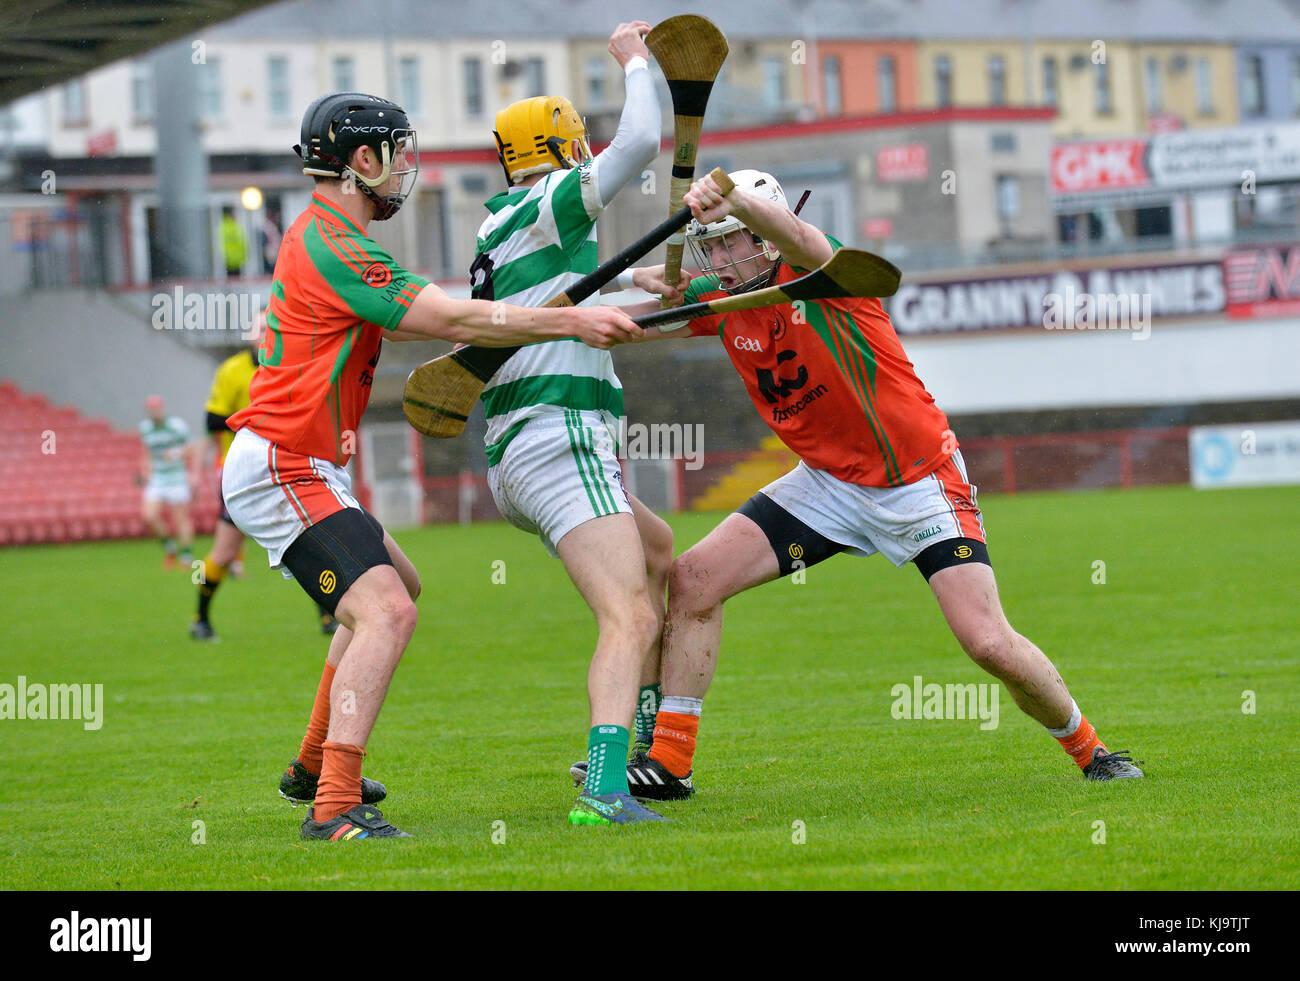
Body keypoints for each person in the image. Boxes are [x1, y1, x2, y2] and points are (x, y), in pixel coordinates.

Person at [584, 167, 1144, 802]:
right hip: (825, 484)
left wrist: (732, 195)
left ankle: (1090, 749)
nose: (717, 257)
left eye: (729, 241)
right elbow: (627, 324)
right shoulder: (722, 300)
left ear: (762, 240)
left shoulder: (823, 274)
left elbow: (799, 238)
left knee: (987, 642)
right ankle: (671, 763)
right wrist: (540, 322)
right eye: (710, 245)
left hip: (918, 479)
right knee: (693, 580)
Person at [220, 91, 640, 842]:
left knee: (397, 586)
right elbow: (445, 319)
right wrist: (567, 318)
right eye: (396, 152)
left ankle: (314, 764)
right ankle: (334, 804)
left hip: (305, 463)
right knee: (386, 610)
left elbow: (443, 320)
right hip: (282, 461)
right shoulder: (333, 242)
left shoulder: (330, 235)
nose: (404, 168)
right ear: (362, 160)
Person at [472, 22, 672, 826]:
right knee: (630, 614)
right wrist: (633, 60)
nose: (591, 152)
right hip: (560, 436)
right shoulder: (550, 203)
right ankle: (604, 785)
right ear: (559, 148)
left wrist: (647, 293)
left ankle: (640, 747)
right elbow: (643, 143)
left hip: (524, 449)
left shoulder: (505, 227)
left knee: (661, 558)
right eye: (579, 142)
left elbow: (564, 312)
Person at [191, 315, 340, 641]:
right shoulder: (233, 370)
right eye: (259, 330)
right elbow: (212, 420)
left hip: (290, 471)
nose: (265, 336)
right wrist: (261, 420)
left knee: (311, 541)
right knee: (225, 552)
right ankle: (199, 619)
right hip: (245, 477)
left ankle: (329, 616)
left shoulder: (294, 368)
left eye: (271, 329)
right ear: (248, 336)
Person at [139, 395, 195, 569]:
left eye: (157, 408)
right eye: (151, 409)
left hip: (177, 477)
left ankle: (186, 554)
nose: (154, 412)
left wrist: (175, 454)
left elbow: (191, 448)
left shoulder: (177, 426)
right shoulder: (145, 428)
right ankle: (169, 547)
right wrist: (145, 470)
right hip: (158, 478)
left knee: (180, 518)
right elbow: (146, 451)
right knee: (149, 516)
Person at [221, 206, 246, 279]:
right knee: (234, 280)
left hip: (233, 259)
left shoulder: (227, 226)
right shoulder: (229, 226)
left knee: (233, 281)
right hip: (232, 259)